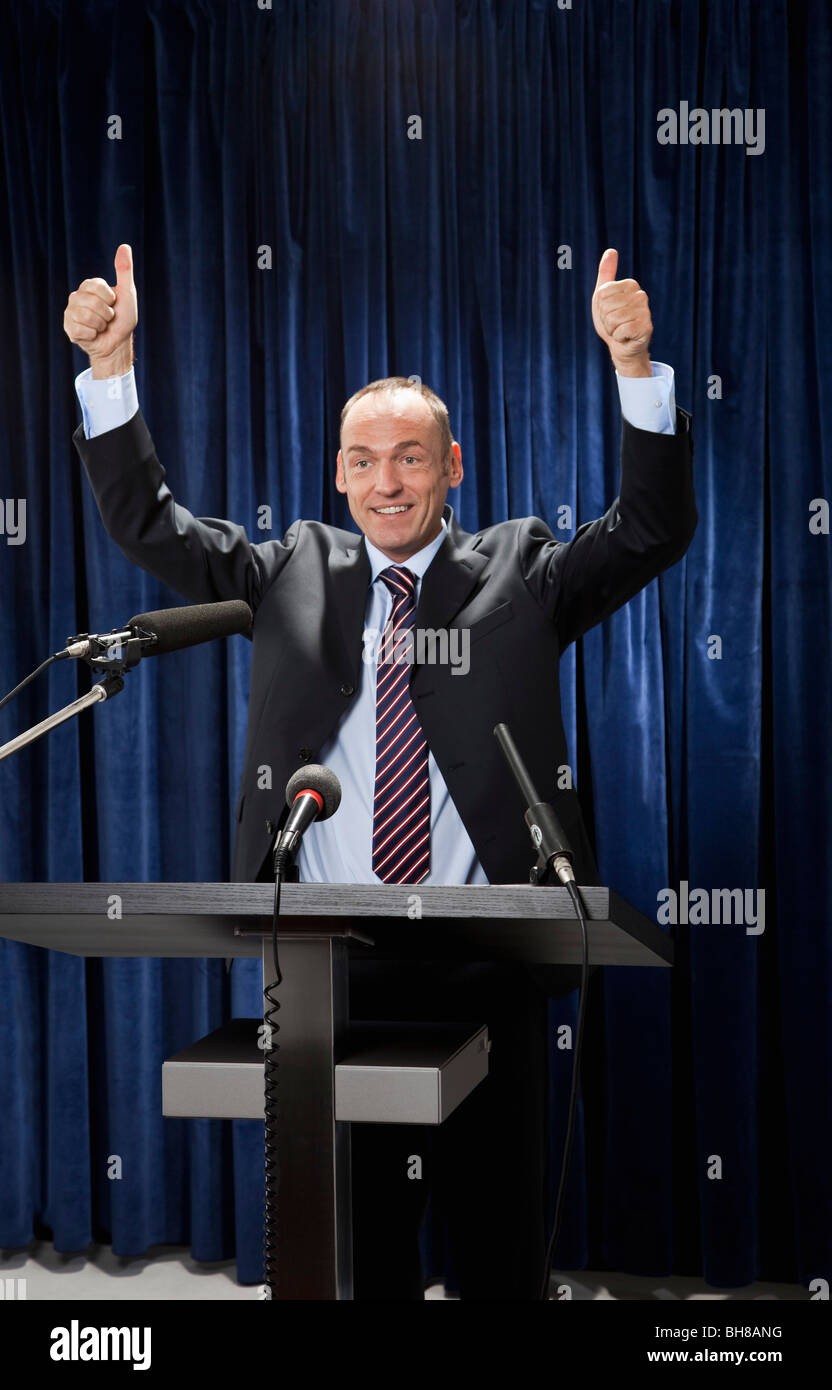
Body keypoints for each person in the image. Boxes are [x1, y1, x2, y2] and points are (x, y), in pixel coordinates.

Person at [63, 244, 696, 1299]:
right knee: (357, 1254)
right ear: (337, 472)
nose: (383, 481)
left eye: (409, 457)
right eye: (362, 459)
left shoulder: (523, 569)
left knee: (497, 1254)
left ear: (452, 469)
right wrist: (112, 371)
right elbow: (147, 523)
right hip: (326, 971)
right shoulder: (286, 567)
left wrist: (634, 367)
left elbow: (648, 529)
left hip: (485, 957)